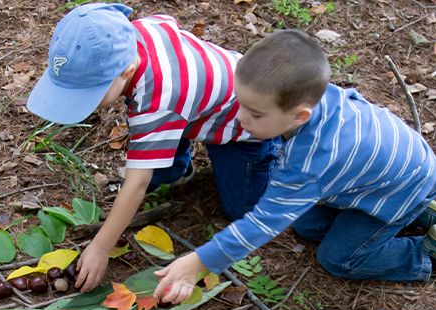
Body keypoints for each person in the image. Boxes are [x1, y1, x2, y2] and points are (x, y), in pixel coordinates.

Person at [153, 30, 436, 303]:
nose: (241, 118)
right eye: (241, 104)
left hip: (402, 186)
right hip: (397, 168)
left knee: (338, 258)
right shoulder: (318, 95)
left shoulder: (308, 163)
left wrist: (197, 262)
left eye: (255, 114)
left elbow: (261, 224)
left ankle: (428, 247)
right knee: (306, 225)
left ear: (300, 116)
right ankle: (417, 210)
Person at [26, 3, 279, 291]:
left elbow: (136, 185)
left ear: (127, 71)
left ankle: (276, 156)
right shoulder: (131, 37)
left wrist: (100, 247)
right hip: (194, 106)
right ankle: (175, 164)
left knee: (242, 208)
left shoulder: (159, 101)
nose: (89, 101)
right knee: (159, 137)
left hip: (244, 128)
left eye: (91, 92)